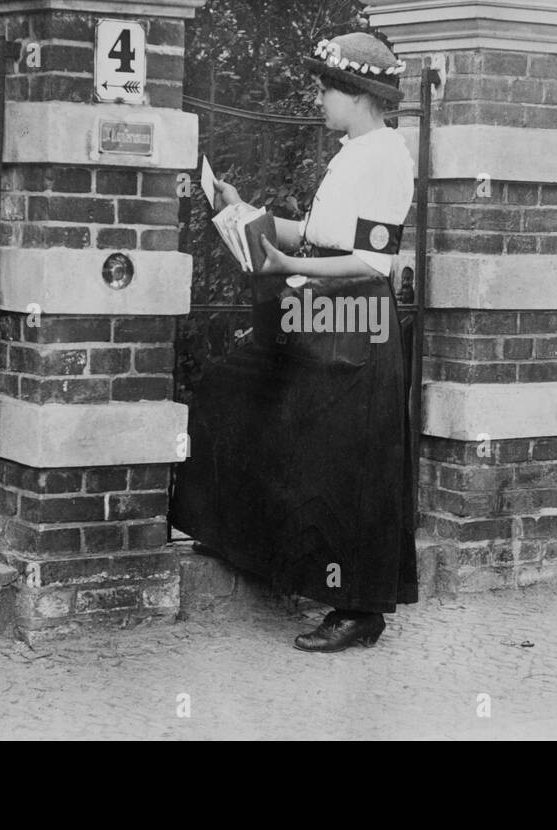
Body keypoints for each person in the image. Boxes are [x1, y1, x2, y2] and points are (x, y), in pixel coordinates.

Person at [169, 32, 419, 652]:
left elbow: (370, 264)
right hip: (317, 308)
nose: (317, 98)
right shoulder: (353, 150)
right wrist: (246, 212)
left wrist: (281, 263)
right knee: (233, 390)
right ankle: (238, 535)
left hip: (355, 321)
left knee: (345, 459)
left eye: (325, 88)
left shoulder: (387, 156)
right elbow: (317, 231)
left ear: (358, 95)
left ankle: (358, 610)